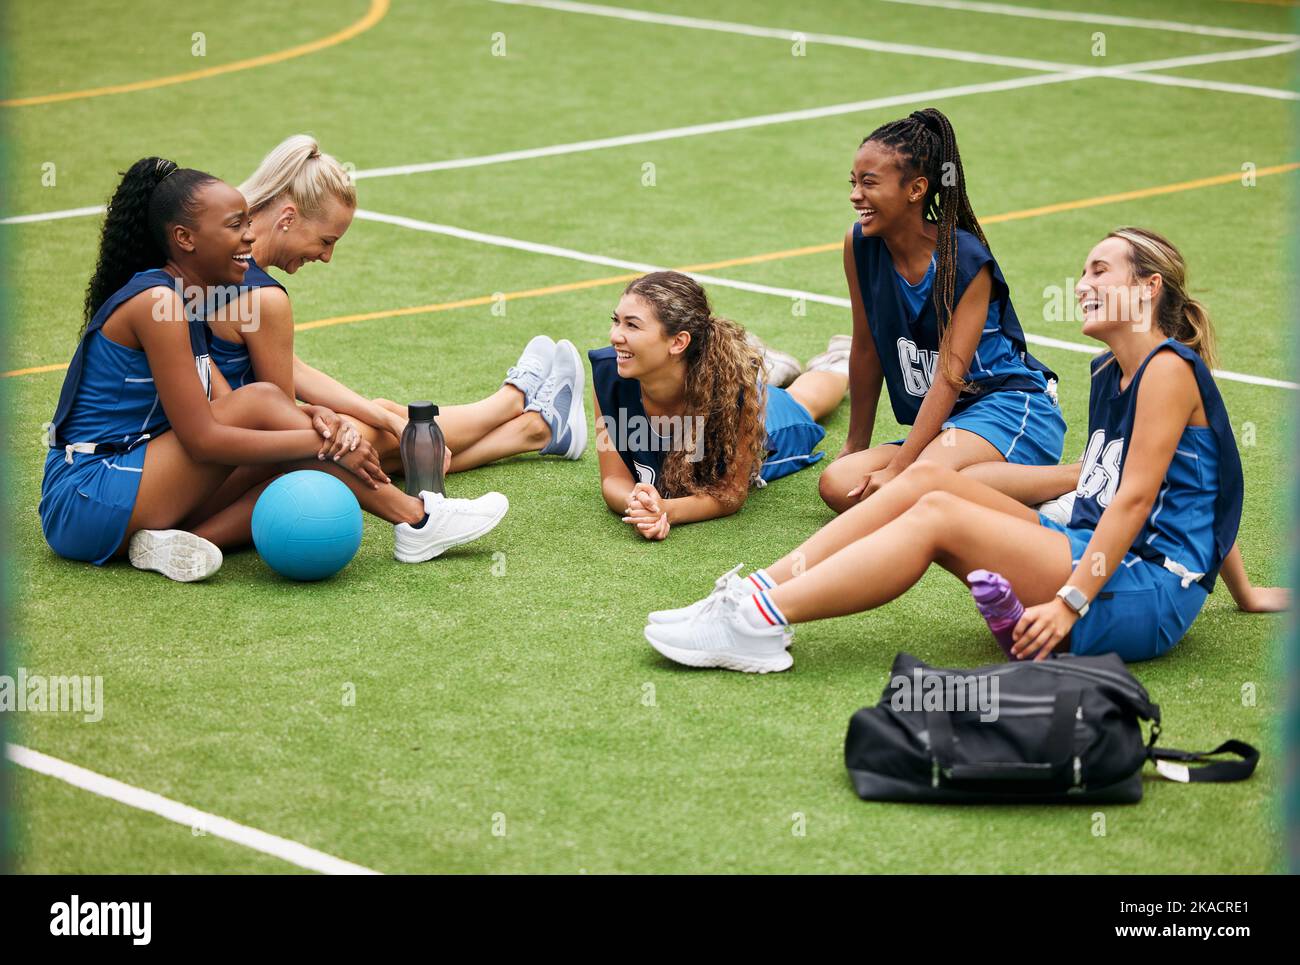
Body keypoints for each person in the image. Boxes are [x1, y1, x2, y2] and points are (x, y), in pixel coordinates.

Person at [643, 228, 1284, 672]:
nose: (1081, 283)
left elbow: (1142, 498)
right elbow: (1199, 489)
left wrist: (1069, 603)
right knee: (926, 484)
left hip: (1137, 593)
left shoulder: (1167, 371)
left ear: (1146, 289)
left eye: (1099, 270)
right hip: (1099, 562)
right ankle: (754, 593)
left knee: (937, 514)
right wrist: (1247, 593)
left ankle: (759, 620)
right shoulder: (1109, 370)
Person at [39, 158, 506, 582]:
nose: (248, 236)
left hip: (132, 482)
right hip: (87, 494)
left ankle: (187, 540)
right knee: (280, 420)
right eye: (234, 225)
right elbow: (204, 438)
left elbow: (233, 408)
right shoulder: (158, 303)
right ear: (185, 239)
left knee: (270, 410)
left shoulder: (189, 298)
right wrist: (324, 442)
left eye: (246, 222)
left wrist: (315, 420)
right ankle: (417, 519)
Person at [204, 134, 585, 484]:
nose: (327, 256)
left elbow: (292, 370)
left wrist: (383, 415)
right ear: (288, 218)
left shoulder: (221, 264)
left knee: (384, 421)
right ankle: (516, 410)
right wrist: (374, 421)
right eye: (326, 240)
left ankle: (533, 426)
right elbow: (284, 419)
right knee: (375, 436)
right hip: (233, 460)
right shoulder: (257, 293)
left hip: (226, 444)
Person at [820, 107, 1065, 514]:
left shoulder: (964, 259)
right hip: (948, 428)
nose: (855, 195)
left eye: (869, 183)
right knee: (838, 483)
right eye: (853, 182)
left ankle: (1080, 479)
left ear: (915, 189)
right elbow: (865, 347)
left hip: (1009, 407)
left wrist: (899, 467)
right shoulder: (860, 243)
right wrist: (854, 446)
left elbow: (949, 378)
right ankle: (976, 484)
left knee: (915, 488)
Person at [592, 271, 848, 541]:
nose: (615, 336)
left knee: (802, 403)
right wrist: (636, 503)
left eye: (632, 325)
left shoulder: (728, 396)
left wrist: (667, 510)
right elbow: (613, 480)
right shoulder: (609, 373)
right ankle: (769, 366)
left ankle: (839, 362)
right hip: (705, 376)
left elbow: (731, 494)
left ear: (678, 342)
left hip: (762, 427)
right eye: (616, 321)